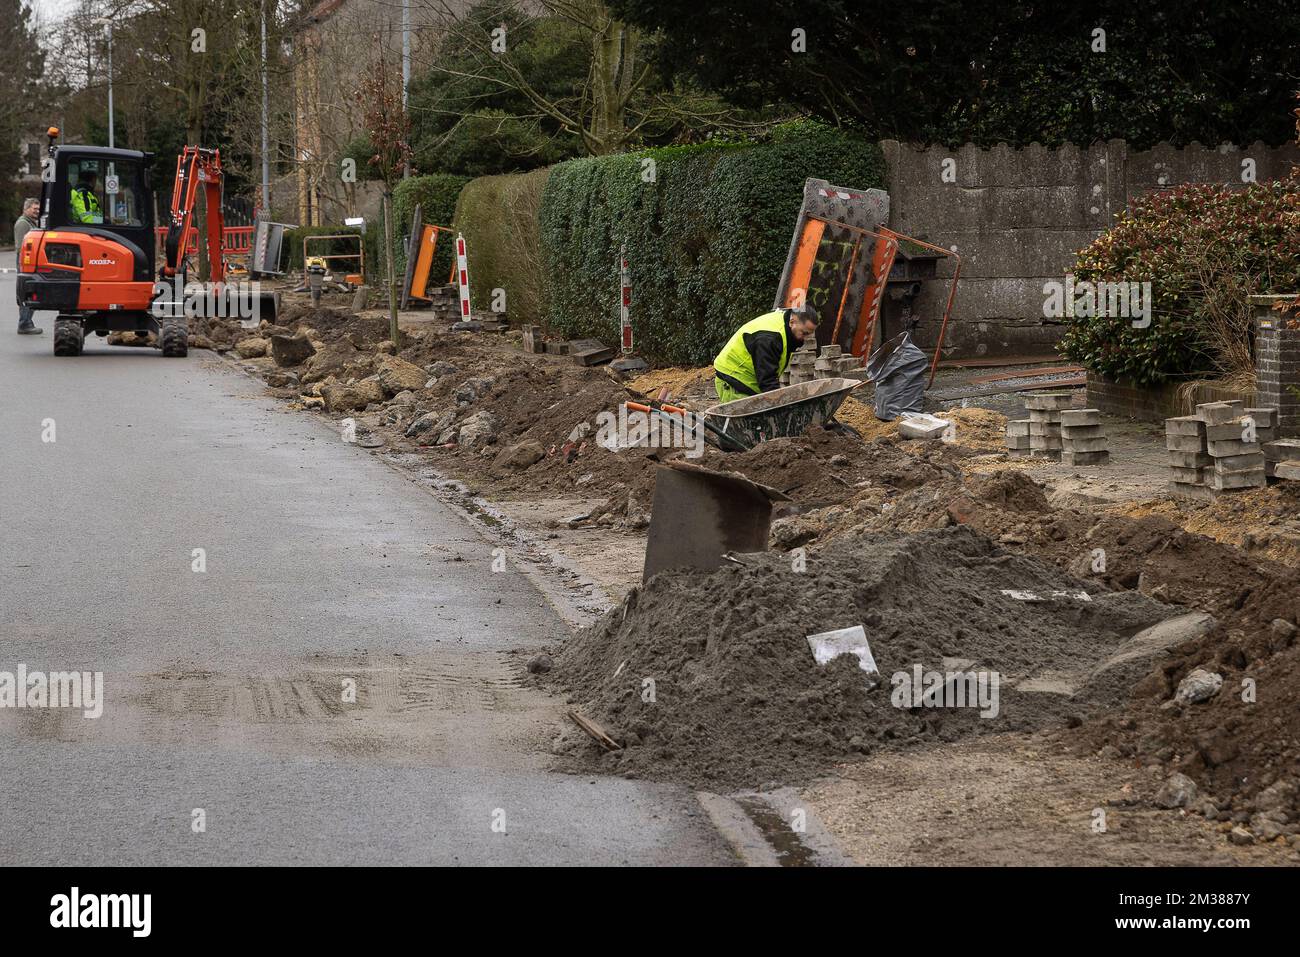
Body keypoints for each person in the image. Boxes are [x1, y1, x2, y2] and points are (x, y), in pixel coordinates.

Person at [713, 304, 818, 402]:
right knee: (752, 420)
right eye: (804, 333)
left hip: (748, 380)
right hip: (733, 381)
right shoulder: (769, 339)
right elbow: (767, 381)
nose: (806, 338)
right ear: (792, 322)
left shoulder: (786, 325)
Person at [13, 197, 42, 335]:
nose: (37, 211)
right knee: (28, 293)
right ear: (26, 209)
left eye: (38, 208)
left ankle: (26, 322)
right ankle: (24, 324)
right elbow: (21, 248)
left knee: (31, 292)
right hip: (25, 263)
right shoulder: (23, 224)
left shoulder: (31, 223)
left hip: (29, 262)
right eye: (34, 208)